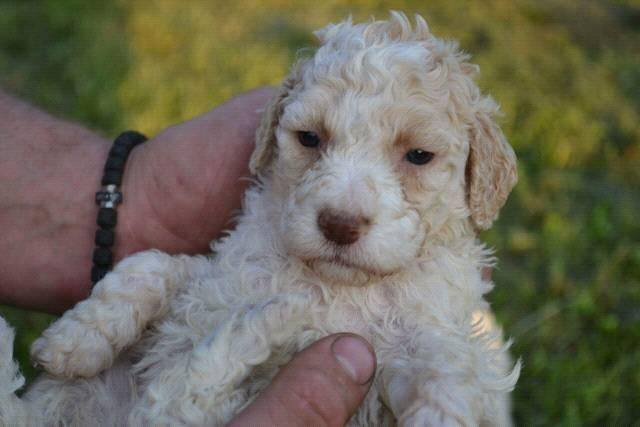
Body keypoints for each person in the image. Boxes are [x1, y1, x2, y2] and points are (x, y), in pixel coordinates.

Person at [0, 88, 375, 425]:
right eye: (310, 139)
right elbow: (213, 281)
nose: (342, 204)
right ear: (270, 131)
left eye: (418, 157)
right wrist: (140, 198)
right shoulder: (265, 218)